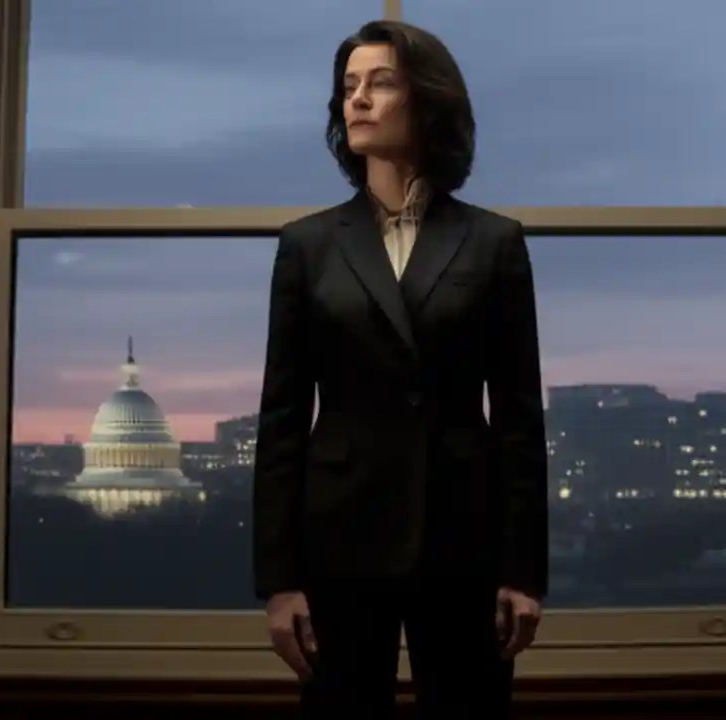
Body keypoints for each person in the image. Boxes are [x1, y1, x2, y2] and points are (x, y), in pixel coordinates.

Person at [252, 18, 548, 716]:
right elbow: (282, 421)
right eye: (348, 86)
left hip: (464, 542)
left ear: (429, 101)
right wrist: (279, 581)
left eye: (380, 82)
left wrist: (524, 572)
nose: (357, 99)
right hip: (339, 545)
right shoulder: (308, 245)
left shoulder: (494, 242)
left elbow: (519, 419)